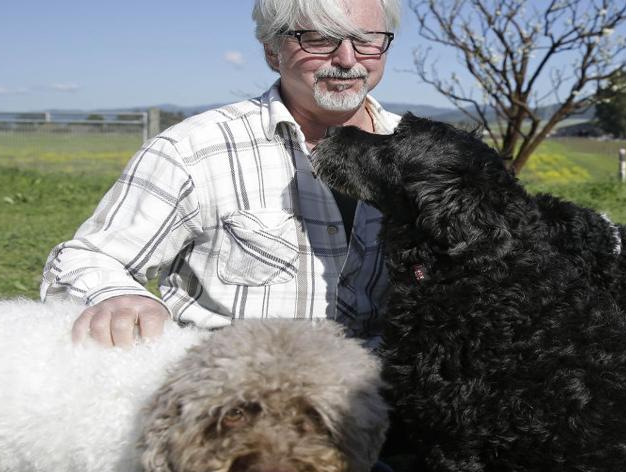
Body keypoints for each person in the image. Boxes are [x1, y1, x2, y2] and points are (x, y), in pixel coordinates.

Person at [40, 0, 402, 348]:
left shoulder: (423, 159)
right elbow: (89, 257)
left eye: (366, 39)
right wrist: (119, 297)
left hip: (394, 398)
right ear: (272, 51)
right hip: (239, 392)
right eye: (319, 38)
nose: (347, 58)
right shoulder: (192, 151)